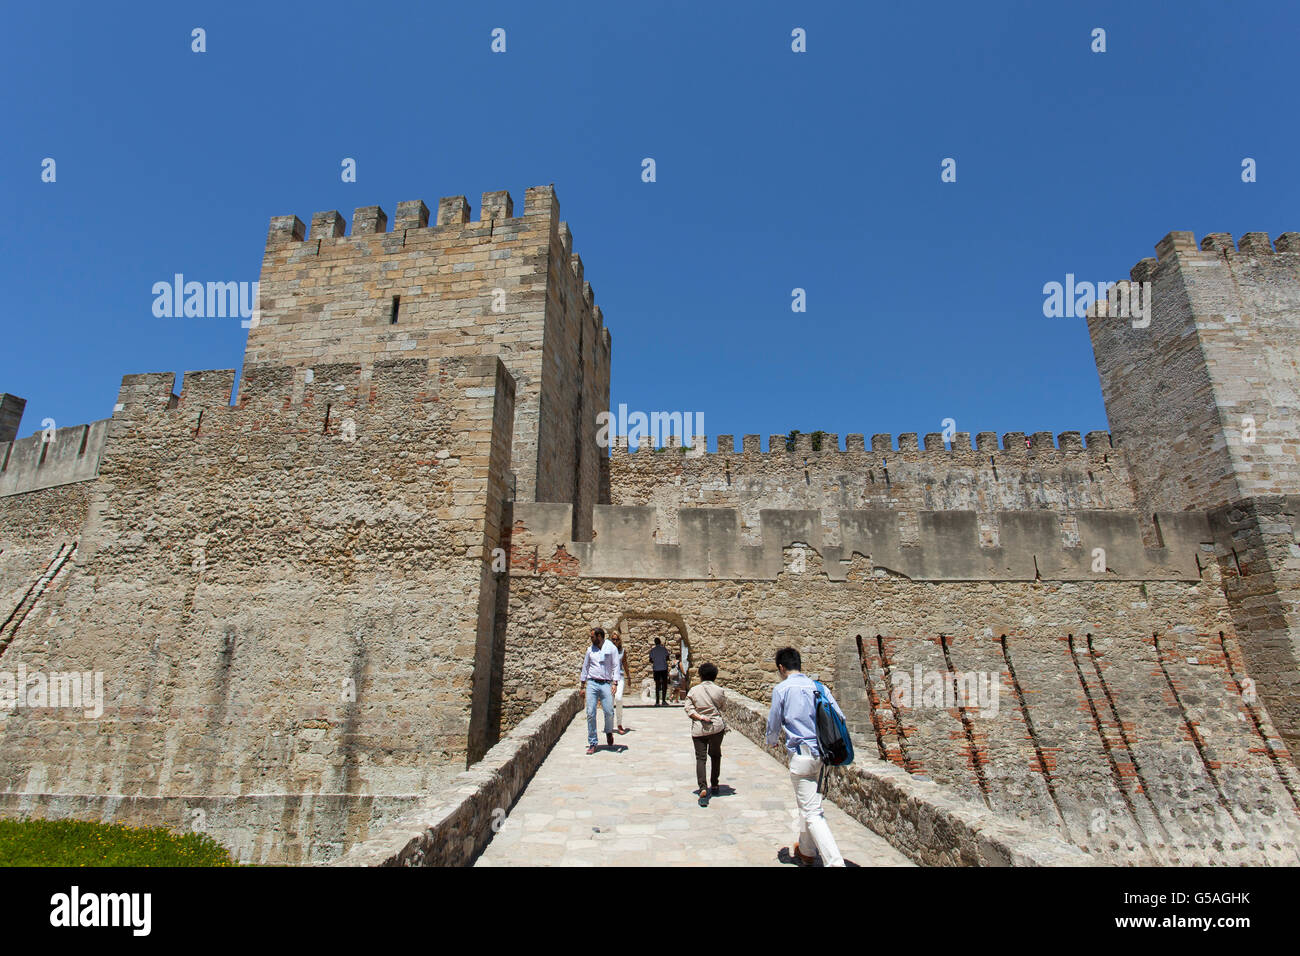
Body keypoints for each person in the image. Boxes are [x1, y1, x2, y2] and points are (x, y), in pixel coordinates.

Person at [765, 647, 845, 867]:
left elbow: (774, 722)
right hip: (822, 755)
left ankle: (835, 863)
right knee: (808, 803)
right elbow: (840, 715)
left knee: (812, 812)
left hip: (801, 756)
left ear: (781, 667)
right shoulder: (818, 687)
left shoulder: (782, 689)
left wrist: (771, 740)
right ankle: (807, 851)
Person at [683, 662, 726, 806]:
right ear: (715, 675)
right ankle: (714, 784)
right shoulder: (719, 690)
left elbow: (688, 709)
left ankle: (702, 787)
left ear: (700, 675)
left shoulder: (693, 691)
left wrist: (700, 717)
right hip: (716, 728)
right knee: (715, 755)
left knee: (700, 758)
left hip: (699, 728)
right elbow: (723, 707)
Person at [579, 627, 619, 755]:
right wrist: (582, 685)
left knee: (609, 711)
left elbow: (616, 665)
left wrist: (615, 682)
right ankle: (593, 742)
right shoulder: (590, 650)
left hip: (606, 683)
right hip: (592, 683)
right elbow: (585, 666)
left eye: (592, 637)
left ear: (599, 637)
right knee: (590, 712)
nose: (591, 639)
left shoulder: (611, 648)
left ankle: (608, 731)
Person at [609, 632, 629, 735]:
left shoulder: (622, 651)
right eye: (613, 639)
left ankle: (619, 723)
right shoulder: (607, 651)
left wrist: (629, 676)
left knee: (619, 698)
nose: (614, 641)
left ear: (619, 640)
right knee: (609, 702)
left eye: (616, 639)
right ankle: (610, 725)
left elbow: (625, 664)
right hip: (609, 678)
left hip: (620, 677)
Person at [648, 637, 670, 706]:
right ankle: (663, 700)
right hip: (663, 668)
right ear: (660, 642)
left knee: (657, 685)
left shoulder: (653, 650)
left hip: (656, 669)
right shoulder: (664, 649)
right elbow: (667, 658)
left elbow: (650, 660)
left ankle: (657, 701)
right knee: (664, 685)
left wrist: (656, 661)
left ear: (655, 642)